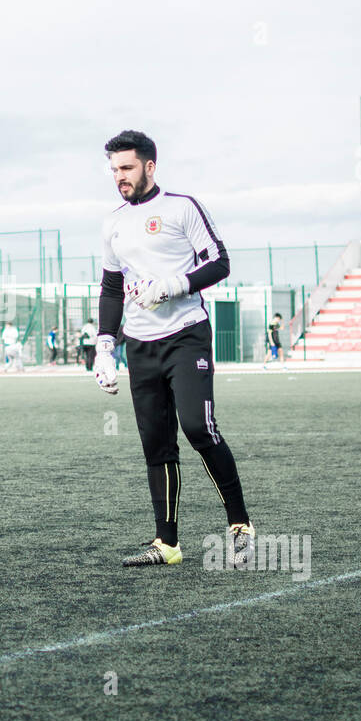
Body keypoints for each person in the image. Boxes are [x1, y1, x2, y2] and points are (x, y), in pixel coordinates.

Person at [92, 130, 255, 568]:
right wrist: (105, 346)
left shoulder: (182, 208)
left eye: (126, 168)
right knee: (156, 446)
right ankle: (166, 544)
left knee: (198, 429)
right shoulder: (112, 222)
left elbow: (219, 261)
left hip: (186, 334)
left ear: (149, 166)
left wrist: (174, 285)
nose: (119, 177)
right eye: (113, 170)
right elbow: (111, 287)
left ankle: (240, 525)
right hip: (141, 346)